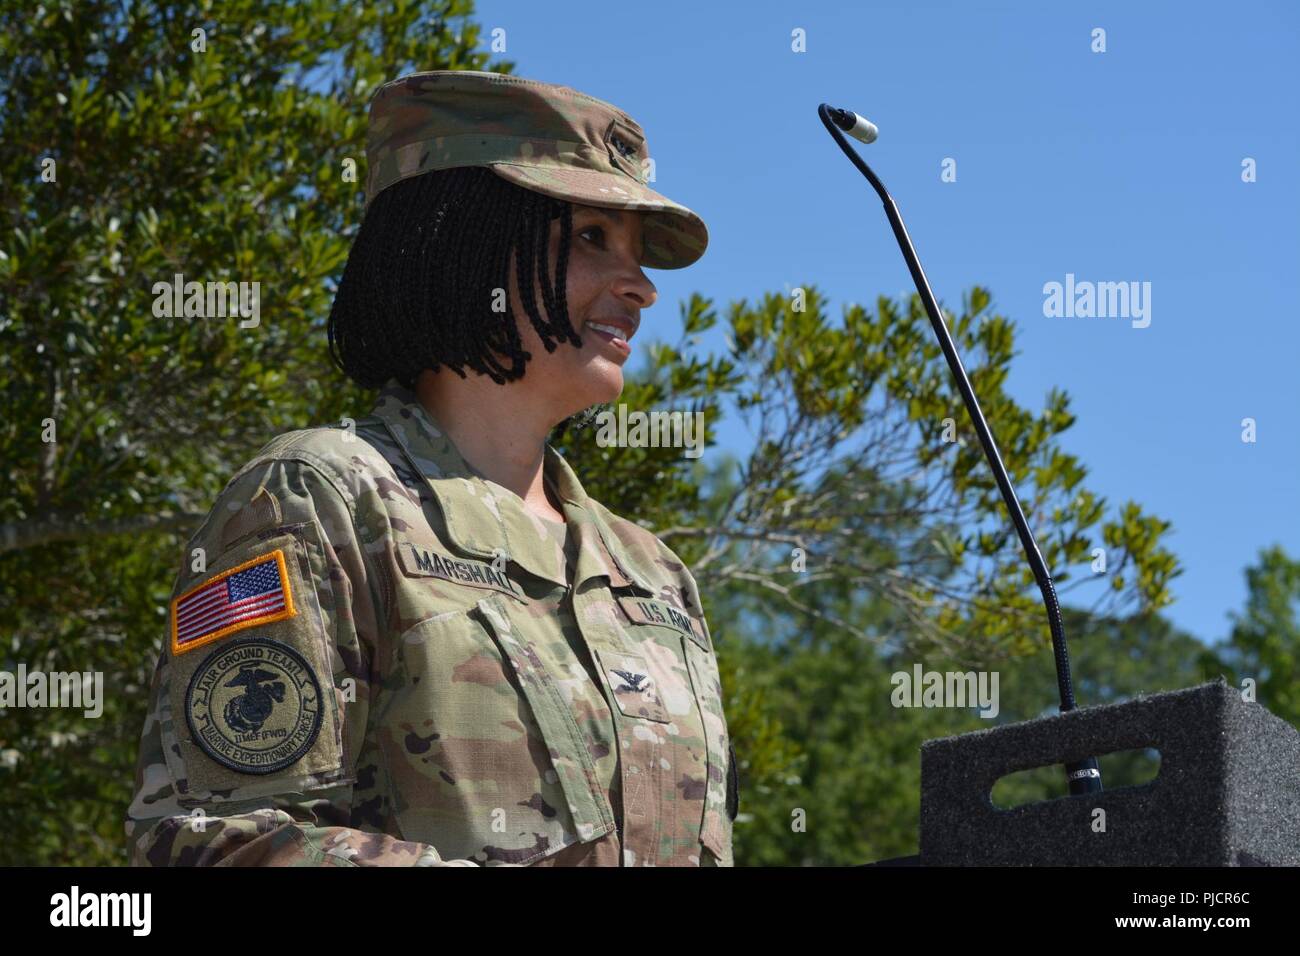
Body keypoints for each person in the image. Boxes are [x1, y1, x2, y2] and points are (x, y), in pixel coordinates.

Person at [125, 70, 737, 866]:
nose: (643, 287)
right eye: (593, 237)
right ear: (462, 238)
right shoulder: (320, 500)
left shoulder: (654, 575)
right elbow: (207, 837)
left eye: (637, 251)